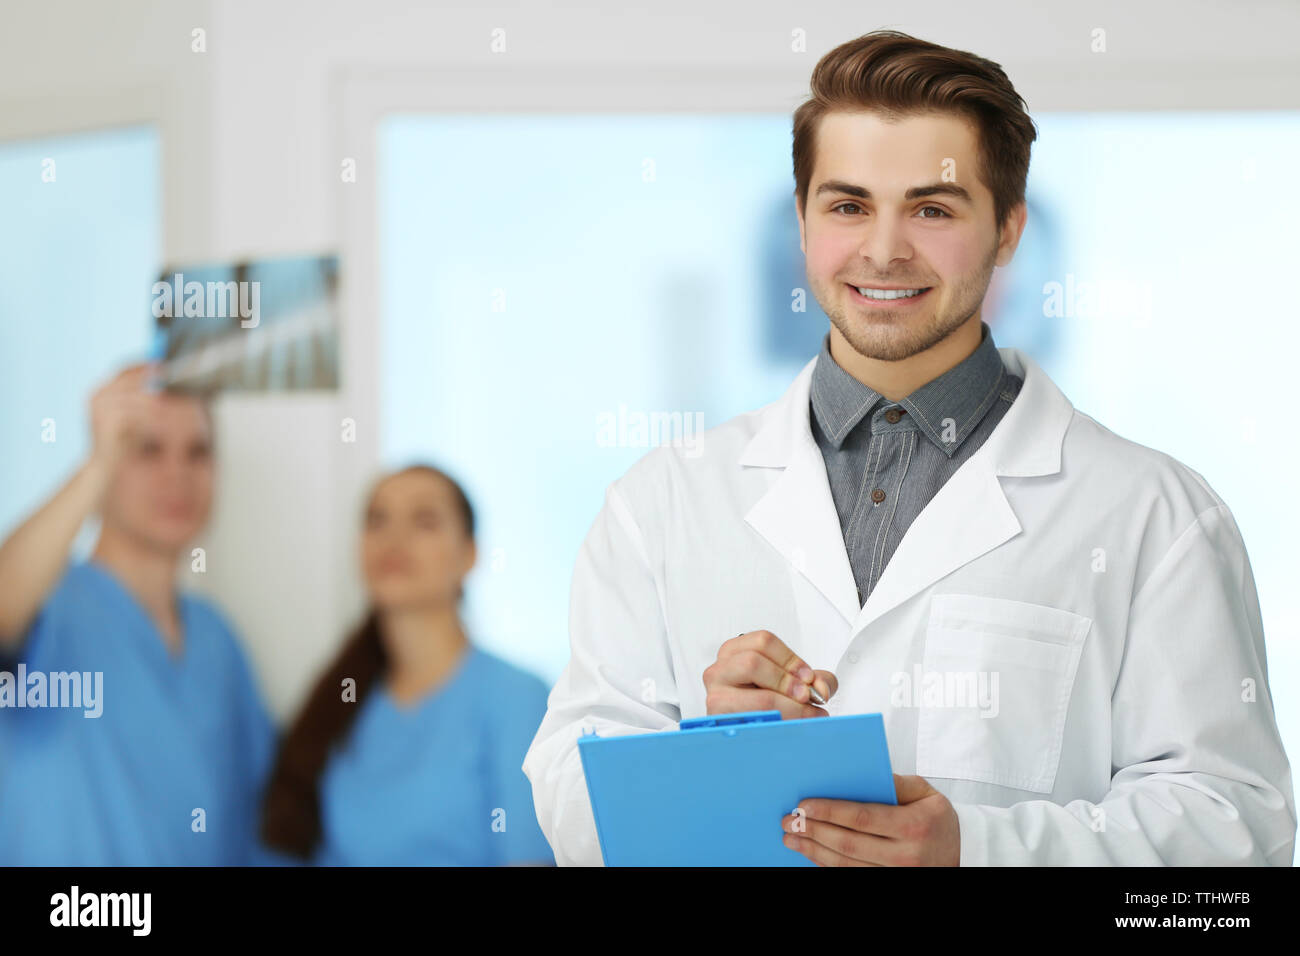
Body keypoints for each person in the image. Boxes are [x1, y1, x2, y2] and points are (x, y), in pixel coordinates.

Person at [523, 30, 1296, 866]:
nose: (884, 249)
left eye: (932, 207)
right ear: (803, 222)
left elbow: (1235, 834)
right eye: (848, 205)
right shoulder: (659, 504)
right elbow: (572, 799)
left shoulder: (1155, 515)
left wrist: (978, 851)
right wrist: (708, 755)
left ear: (1007, 228)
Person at [0, 364, 275, 865]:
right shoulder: (50, 612)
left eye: (198, 453)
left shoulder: (217, 641)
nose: (178, 475)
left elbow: (265, 819)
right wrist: (96, 465)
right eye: (146, 449)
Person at [259, 464, 555, 865]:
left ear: (468, 554)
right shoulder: (341, 701)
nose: (394, 539)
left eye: (424, 520)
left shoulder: (517, 698)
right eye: (377, 520)